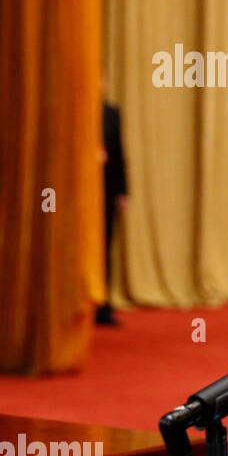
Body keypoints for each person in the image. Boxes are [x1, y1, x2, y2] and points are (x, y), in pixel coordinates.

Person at [97, 101, 129, 326]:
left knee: (105, 248)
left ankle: (102, 305)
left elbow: (119, 153)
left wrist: (122, 191)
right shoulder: (69, 109)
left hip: (106, 191)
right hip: (74, 196)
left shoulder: (111, 113)